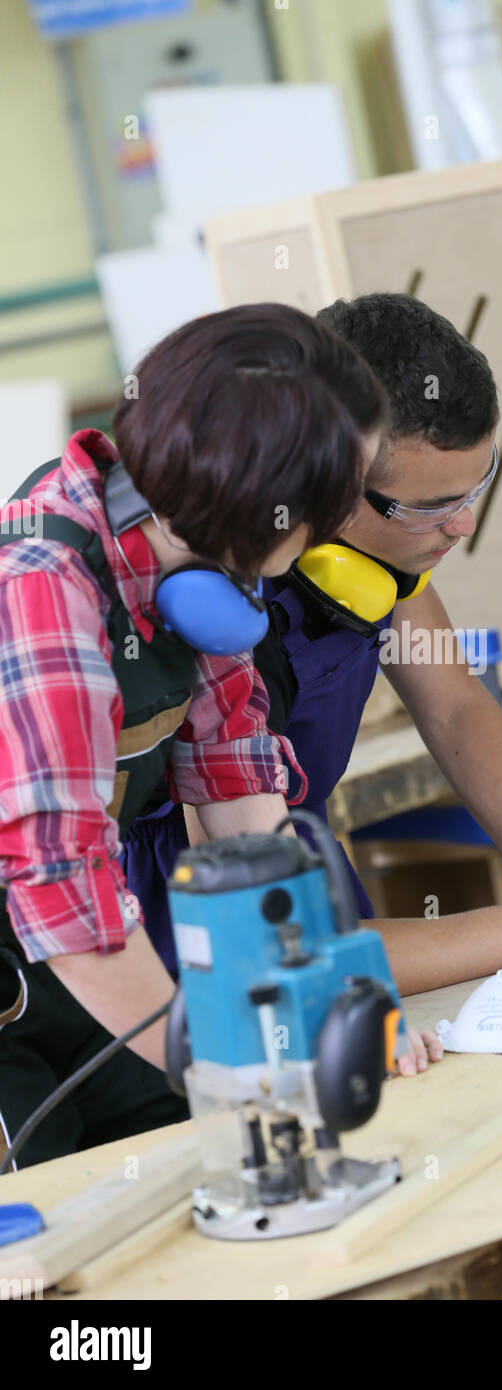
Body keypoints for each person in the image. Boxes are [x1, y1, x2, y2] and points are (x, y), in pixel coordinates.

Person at [124, 292, 502, 1055]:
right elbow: (274, 936)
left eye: (477, 488)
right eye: (435, 507)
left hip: (308, 876)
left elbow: (453, 704)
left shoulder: (379, 562)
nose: (464, 527)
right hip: (179, 932)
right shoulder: (219, 607)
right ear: (328, 481)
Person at [0, 303, 393, 1168]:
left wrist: (323, 1003)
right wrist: (230, 1067)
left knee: (192, 1165)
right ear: (268, 508)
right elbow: (63, 888)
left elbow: (237, 796)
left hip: (75, 967)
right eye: (333, 499)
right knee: (48, 1239)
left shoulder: (191, 554)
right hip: (32, 961)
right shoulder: (44, 585)